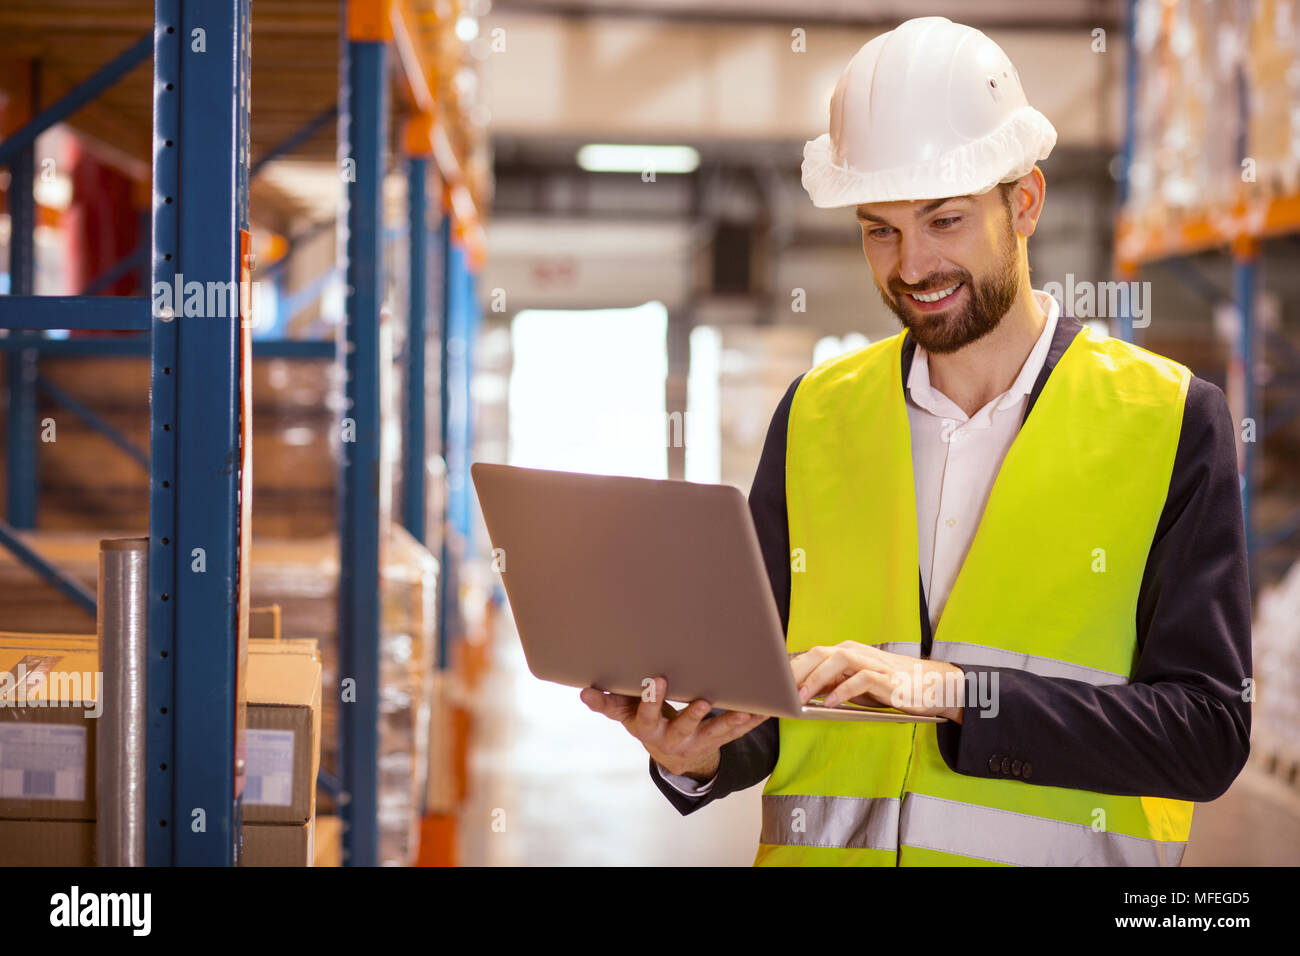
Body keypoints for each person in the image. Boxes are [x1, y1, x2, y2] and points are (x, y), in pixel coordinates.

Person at [580, 16, 1251, 866]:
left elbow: (1207, 734)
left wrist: (961, 696)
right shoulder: (815, 415)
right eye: (880, 229)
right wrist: (696, 756)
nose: (911, 267)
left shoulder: (1169, 421)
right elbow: (763, 700)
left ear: (1026, 204)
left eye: (944, 221)